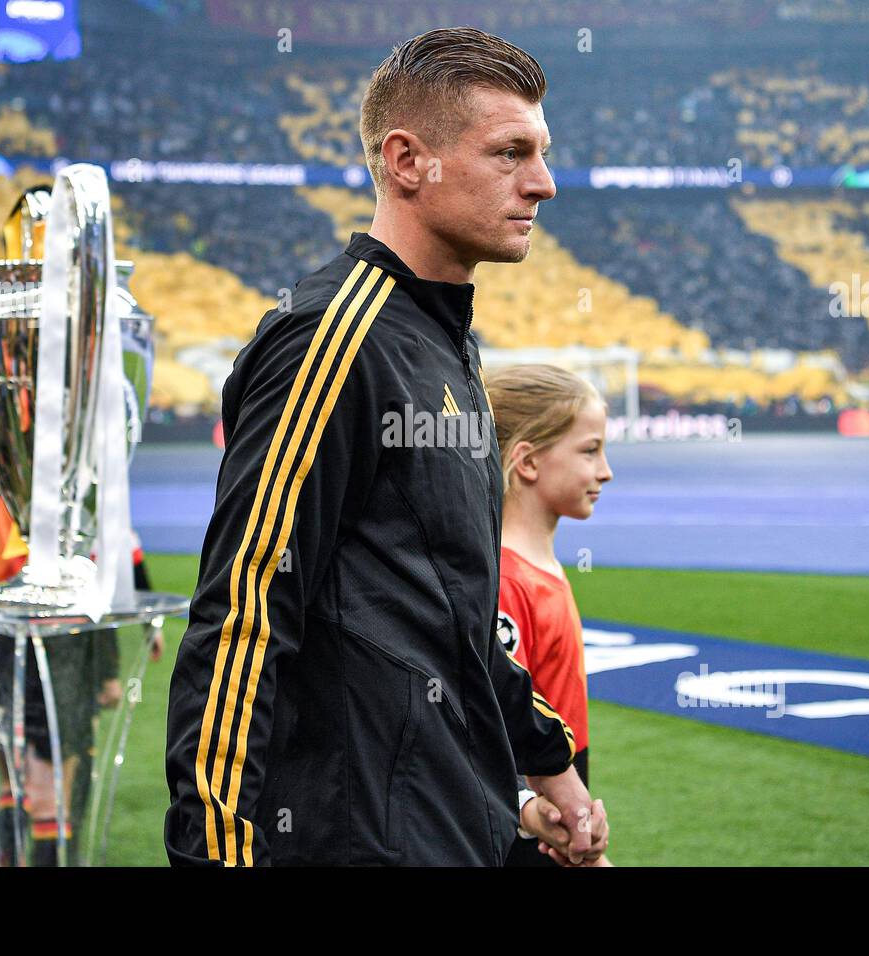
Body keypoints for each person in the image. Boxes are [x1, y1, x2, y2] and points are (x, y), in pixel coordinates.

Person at [165, 27, 607, 866]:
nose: (544, 184)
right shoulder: (329, 343)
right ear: (408, 161)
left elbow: (457, 616)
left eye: (541, 153)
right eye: (510, 152)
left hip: (455, 820)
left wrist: (549, 767)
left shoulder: (445, 344)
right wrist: (210, 851)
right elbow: (245, 619)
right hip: (361, 835)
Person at [0, 471, 158, 865]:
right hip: (61, 638)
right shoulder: (78, 489)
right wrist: (111, 665)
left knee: (10, 759)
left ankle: (15, 856)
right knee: (60, 760)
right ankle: (52, 854)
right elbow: (114, 558)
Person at [485, 365, 615, 867]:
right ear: (528, 462)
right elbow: (491, 726)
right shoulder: (509, 582)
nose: (605, 470)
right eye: (589, 450)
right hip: (528, 834)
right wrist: (539, 811)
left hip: (560, 816)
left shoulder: (532, 569)